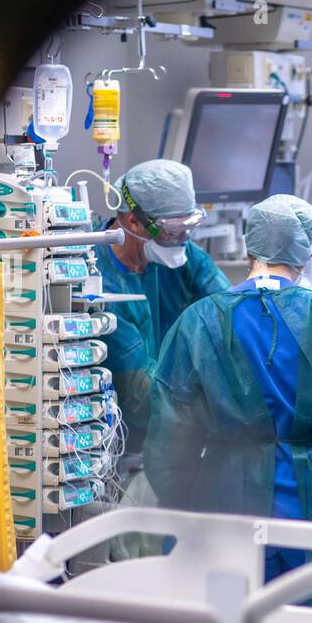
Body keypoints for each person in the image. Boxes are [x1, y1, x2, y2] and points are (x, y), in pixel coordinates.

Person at [144, 194, 312, 581]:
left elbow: (169, 444)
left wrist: (186, 515)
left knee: (231, 622)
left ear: (250, 250)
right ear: (304, 256)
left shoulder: (199, 321)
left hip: (225, 504)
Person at [98, 159, 230, 452]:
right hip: (134, 442)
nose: (182, 240)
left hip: (185, 419)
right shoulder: (102, 286)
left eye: (188, 227)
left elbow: (232, 315)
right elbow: (141, 393)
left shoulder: (183, 258)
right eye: (172, 230)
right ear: (132, 220)